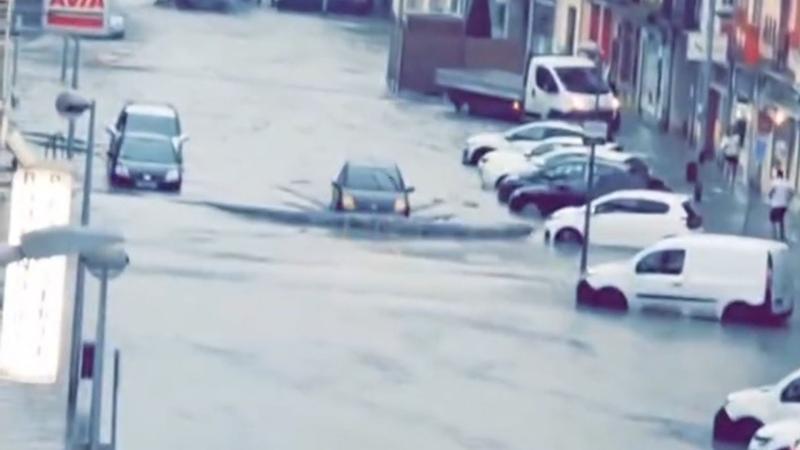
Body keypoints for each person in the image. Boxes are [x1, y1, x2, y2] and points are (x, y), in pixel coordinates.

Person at [768, 169, 794, 241]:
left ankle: (774, 235)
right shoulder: (786, 182)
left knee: (772, 219)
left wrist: (770, 196)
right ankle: (782, 235)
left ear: (777, 175)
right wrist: (788, 199)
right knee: (781, 219)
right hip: (784, 204)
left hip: (776, 204)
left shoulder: (775, 182)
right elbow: (792, 193)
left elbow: (771, 193)